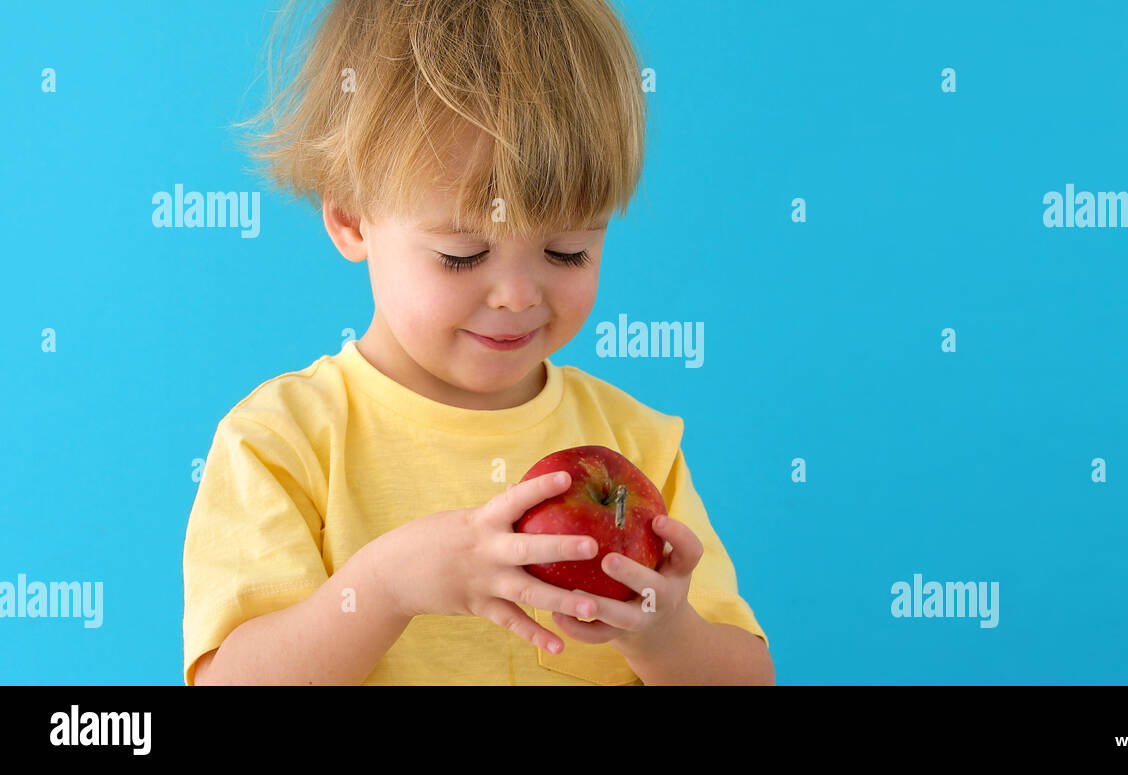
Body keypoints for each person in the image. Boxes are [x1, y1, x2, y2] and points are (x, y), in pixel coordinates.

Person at [182, 0, 773, 685]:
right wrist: (385, 587)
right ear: (350, 217)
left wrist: (666, 633)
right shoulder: (282, 443)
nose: (518, 295)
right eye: (463, 254)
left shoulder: (637, 447)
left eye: (568, 250)